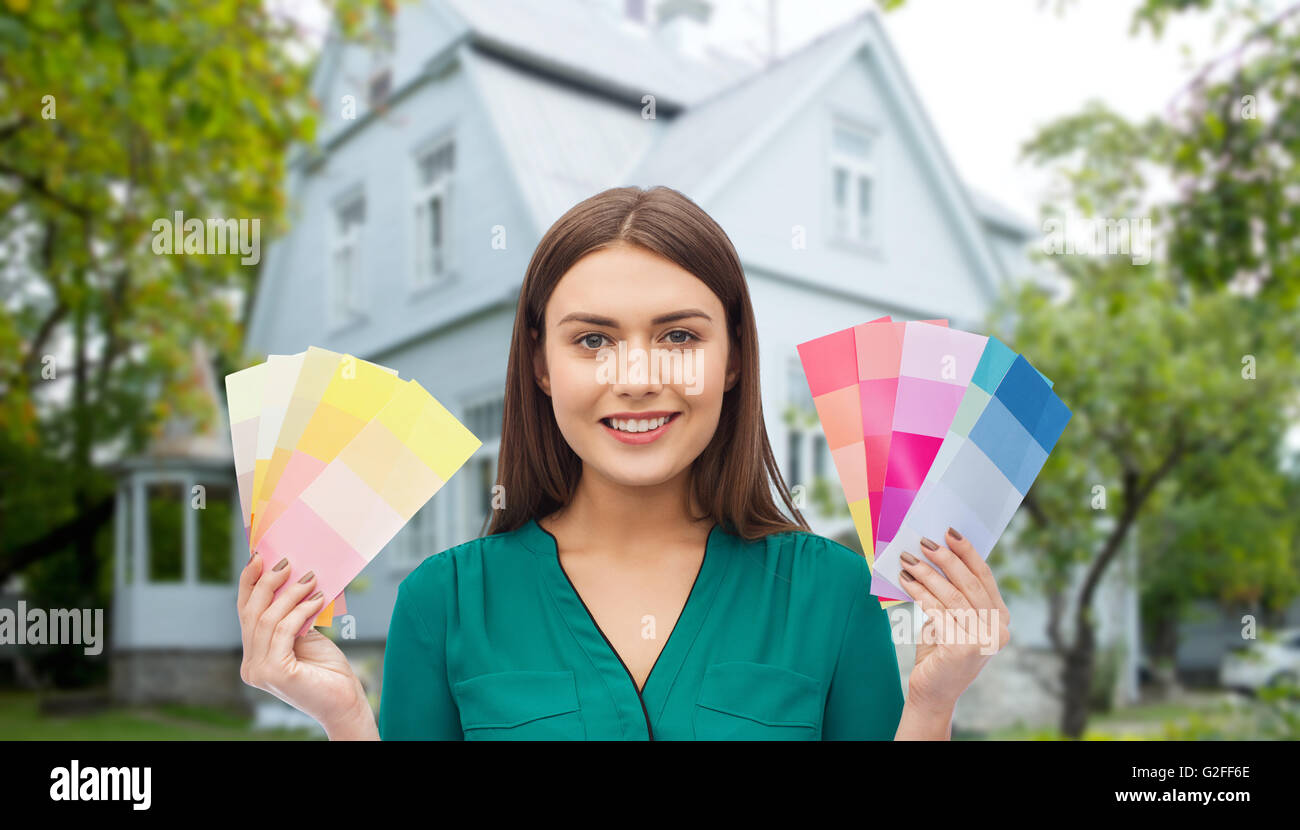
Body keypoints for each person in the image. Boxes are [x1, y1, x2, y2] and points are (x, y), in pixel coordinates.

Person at [236, 185, 1011, 740]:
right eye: (592, 340)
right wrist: (343, 718)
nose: (638, 376)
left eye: (679, 336)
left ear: (734, 359)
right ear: (541, 365)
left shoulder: (833, 594)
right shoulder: (442, 603)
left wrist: (933, 704)